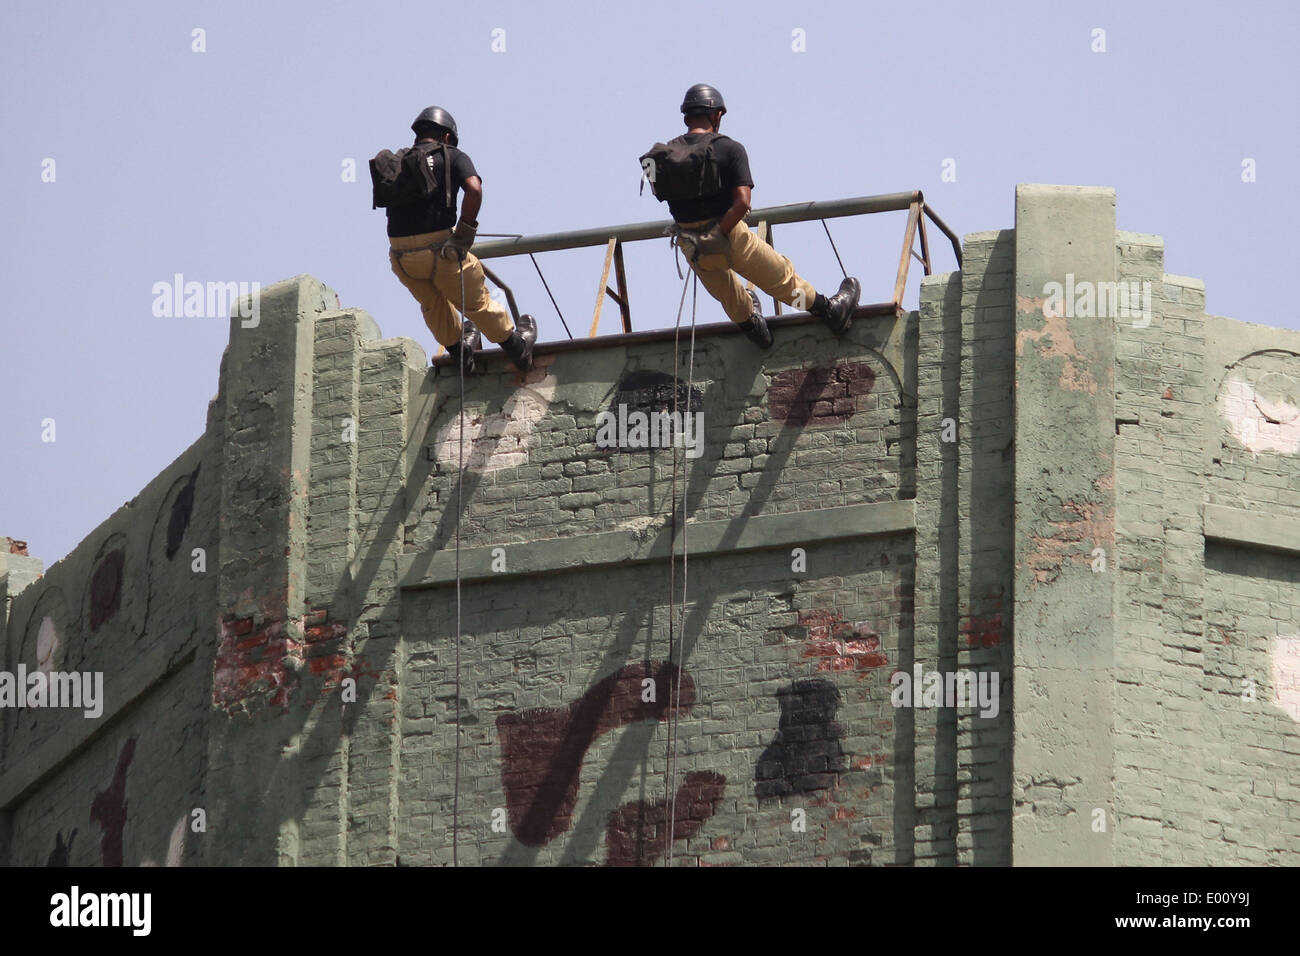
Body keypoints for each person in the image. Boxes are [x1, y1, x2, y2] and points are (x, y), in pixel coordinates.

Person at [644, 84, 860, 348]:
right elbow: (743, 203)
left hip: (691, 244)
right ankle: (829, 311)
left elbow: (661, 194)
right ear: (718, 115)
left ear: (686, 117)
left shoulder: (660, 157)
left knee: (728, 295)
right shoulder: (730, 149)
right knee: (782, 281)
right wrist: (719, 233)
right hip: (728, 236)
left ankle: (753, 328)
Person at [384, 106, 537, 374]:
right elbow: (474, 189)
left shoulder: (399, 162)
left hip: (402, 257)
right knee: (476, 304)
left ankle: (460, 353)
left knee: (432, 305)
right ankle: (517, 349)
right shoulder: (452, 155)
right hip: (442, 251)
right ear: (446, 137)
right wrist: (465, 232)